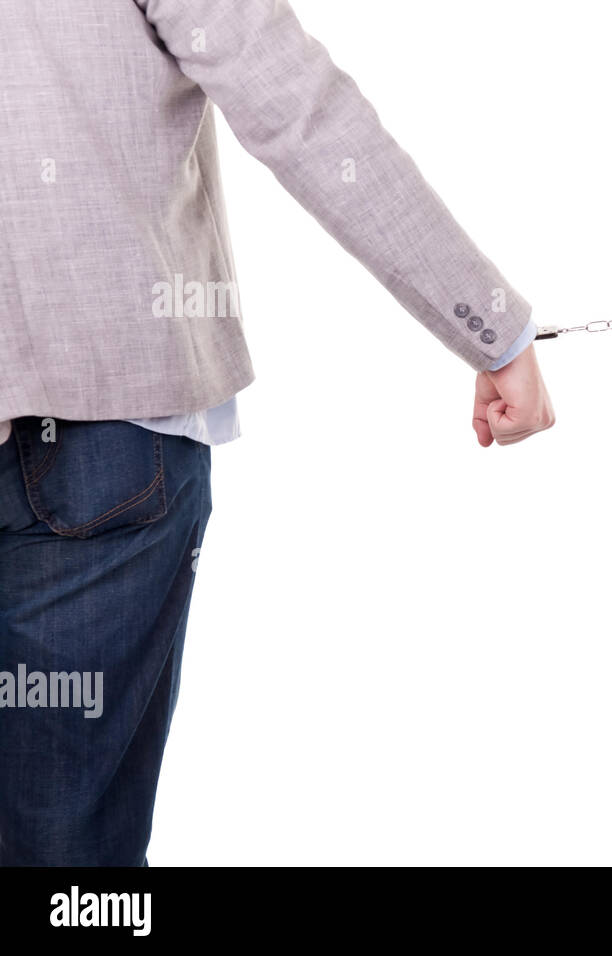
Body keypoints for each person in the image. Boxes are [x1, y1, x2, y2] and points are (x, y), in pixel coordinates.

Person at [0, 0, 550, 865]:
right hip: (105, 420)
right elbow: (295, 105)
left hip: (101, 448)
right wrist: (493, 331)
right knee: (71, 859)